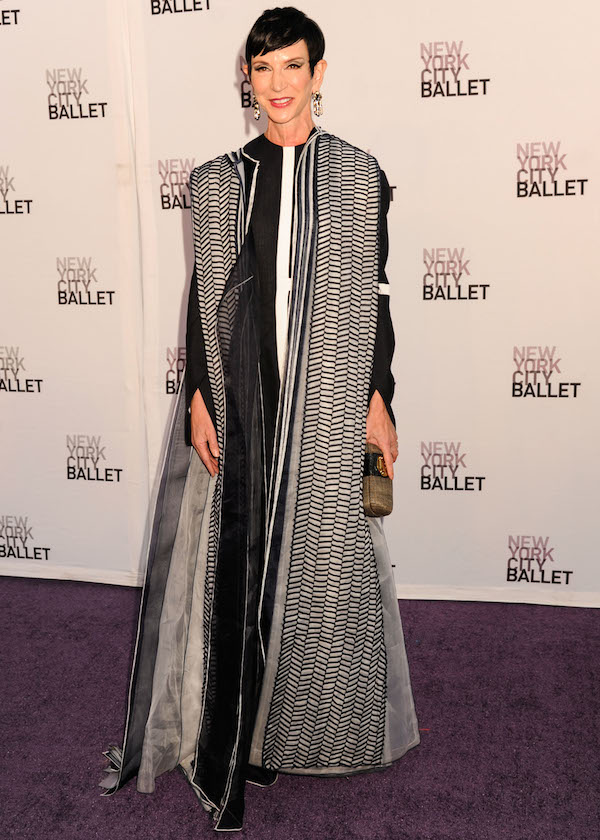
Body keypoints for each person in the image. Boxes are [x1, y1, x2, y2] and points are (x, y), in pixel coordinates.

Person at [99, 6, 420, 832]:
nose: (276, 84)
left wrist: (378, 396)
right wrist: (203, 397)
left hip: (329, 396)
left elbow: (375, 300)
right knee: (232, 570)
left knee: (318, 569)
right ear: (247, 77)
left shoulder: (359, 175)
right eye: (262, 67)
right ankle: (236, 736)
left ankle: (305, 729)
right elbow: (204, 300)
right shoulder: (216, 182)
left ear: (318, 74)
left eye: (292, 66)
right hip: (245, 401)